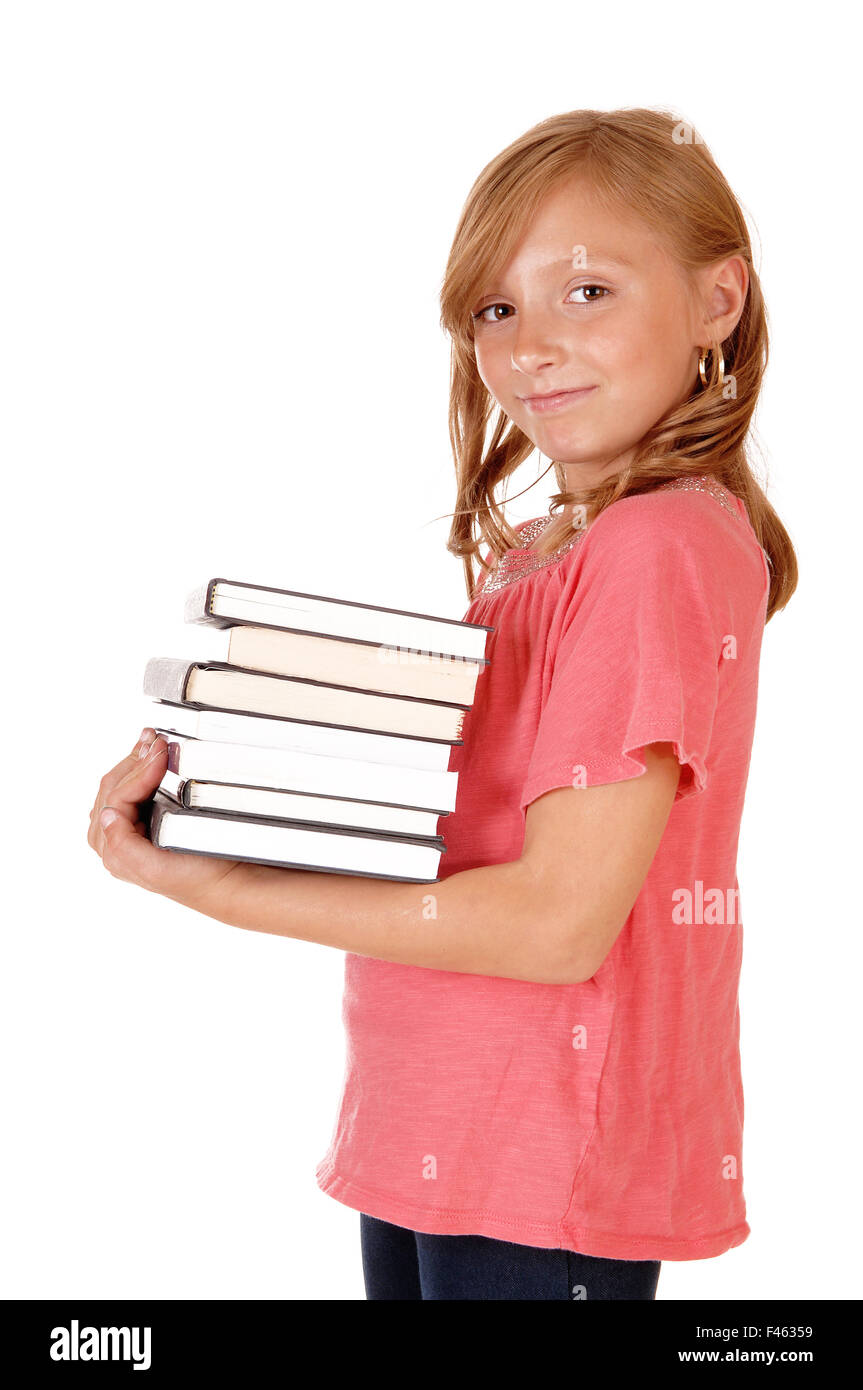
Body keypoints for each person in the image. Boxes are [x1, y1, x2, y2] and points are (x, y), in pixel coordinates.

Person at [88, 107, 798, 1301]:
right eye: (494, 308)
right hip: (445, 1122)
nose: (528, 347)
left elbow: (555, 924)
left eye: (586, 291)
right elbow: (476, 830)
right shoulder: (537, 549)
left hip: (543, 1157)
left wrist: (210, 885)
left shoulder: (655, 545)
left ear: (715, 300)